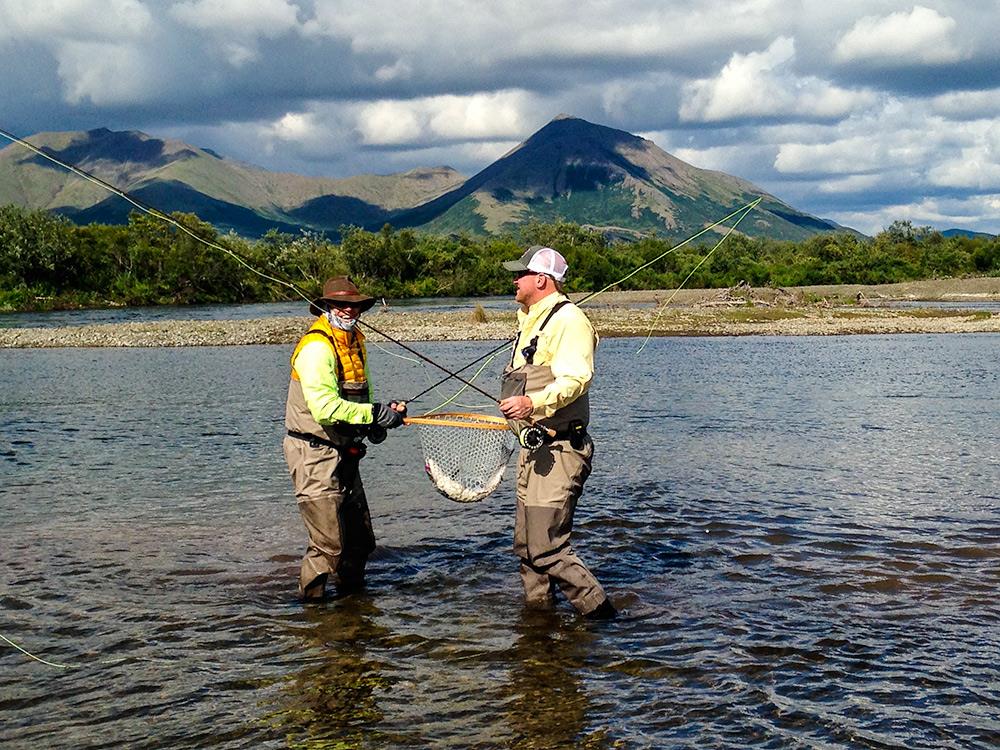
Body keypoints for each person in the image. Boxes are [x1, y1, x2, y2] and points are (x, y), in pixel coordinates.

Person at [497, 246, 617, 620]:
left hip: (562, 449)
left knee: (547, 547)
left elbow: (576, 379)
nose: (513, 281)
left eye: (519, 274)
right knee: (526, 548)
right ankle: (538, 625)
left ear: (541, 279)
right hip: (533, 451)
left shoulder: (570, 321)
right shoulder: (529, 320)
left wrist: (533, 405)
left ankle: (603, 618)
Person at [283, 276, 407, 601]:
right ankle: (312, 615)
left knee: (359, 542)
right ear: (326, 307)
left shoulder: (355, 342)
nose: (350, 310)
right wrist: (373, 414)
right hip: (313, 454)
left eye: (355, 305)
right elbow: (324, 409)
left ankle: (354, 609)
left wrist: (375, 422)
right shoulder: (316, 349)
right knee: (328, 545)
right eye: (341, 304)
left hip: (345, 452)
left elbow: (357, 401)